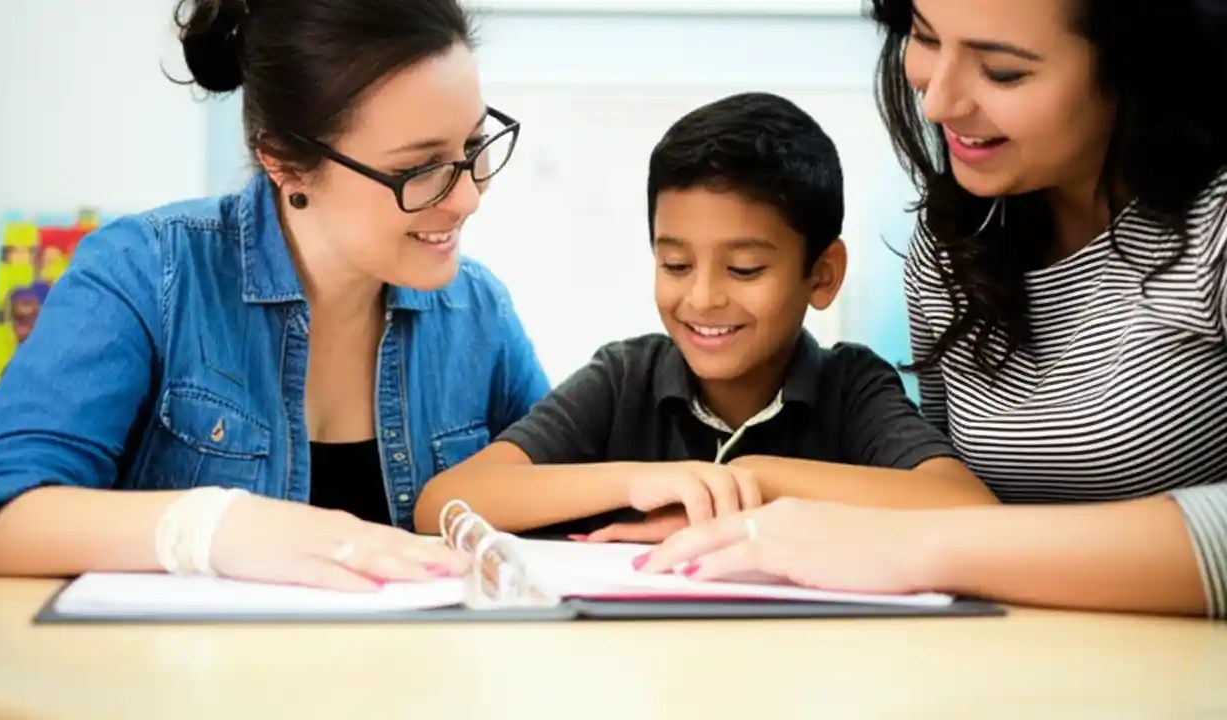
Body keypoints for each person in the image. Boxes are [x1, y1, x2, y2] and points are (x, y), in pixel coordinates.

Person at [639, 0, 1227, 620]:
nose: (937, 103)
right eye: (923, 38)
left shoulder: (1213, 224)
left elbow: (939, 532)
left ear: (1135, 66)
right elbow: (943, 481)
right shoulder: (954, 242)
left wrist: (914, 548)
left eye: (1001, 71)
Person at [0, 0, 550, 591]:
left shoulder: (478, 315)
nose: (469, 197)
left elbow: (565, 498)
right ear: (283, 160)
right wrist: (213, 529)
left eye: (473, 148)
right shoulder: (145, 274)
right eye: (421, 168)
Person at [415, 92, 996, 541]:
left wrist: (751, 482)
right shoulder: (625, 378)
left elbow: (967, 509)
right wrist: (639, 480)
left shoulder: (851, 387)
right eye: (675, 263)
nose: (702, 298)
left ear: (822, 275)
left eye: (744, 269)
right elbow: (445, 502)